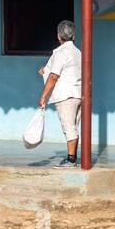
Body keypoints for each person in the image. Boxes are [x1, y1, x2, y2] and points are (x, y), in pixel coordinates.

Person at [37, 20, 82, 166]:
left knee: (69, 127)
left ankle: (71, 159)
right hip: (77, 93)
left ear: (58, 36)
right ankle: (72, 157)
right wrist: (46, 71)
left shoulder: (61, 53)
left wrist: (43, 96)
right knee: (73, 127)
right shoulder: (77, 52)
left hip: (66, 95)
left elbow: (54, 76)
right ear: (73, 36)